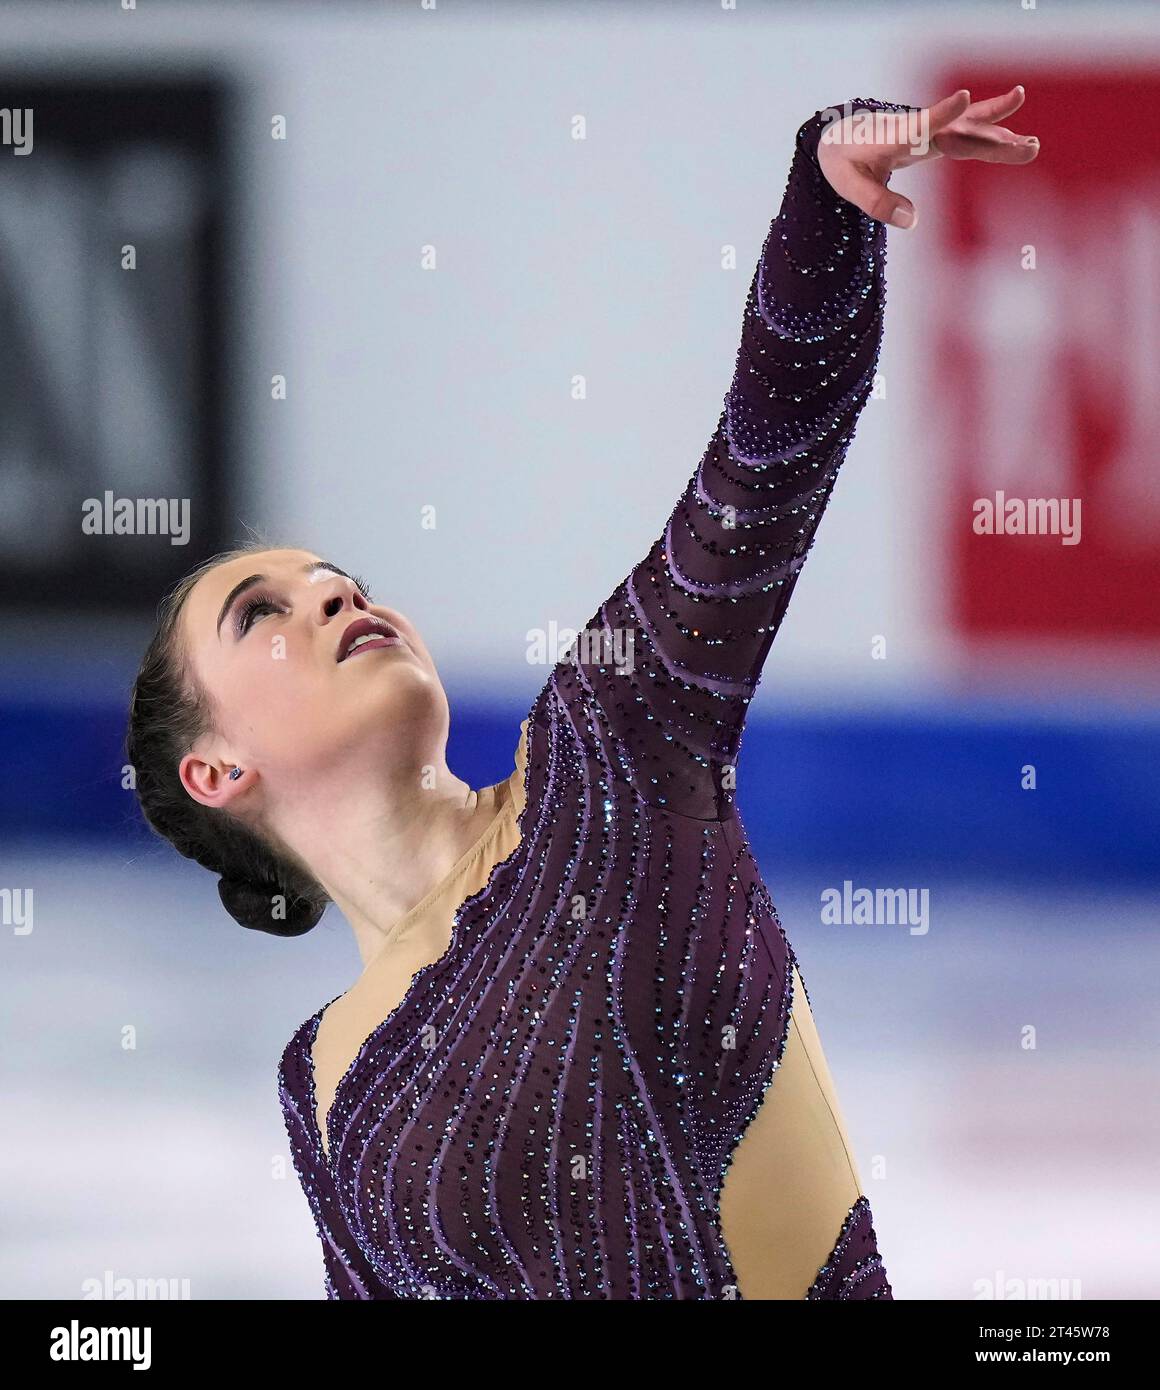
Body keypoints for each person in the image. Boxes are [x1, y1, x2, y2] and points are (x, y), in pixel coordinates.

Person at [126, 88, 1038, 1298]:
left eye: (340, 581)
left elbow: (765, 458)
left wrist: (821, 198)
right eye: (265, 614)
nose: (336, 599)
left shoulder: (603, 754)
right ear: (215, 769)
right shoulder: (321, 1092)